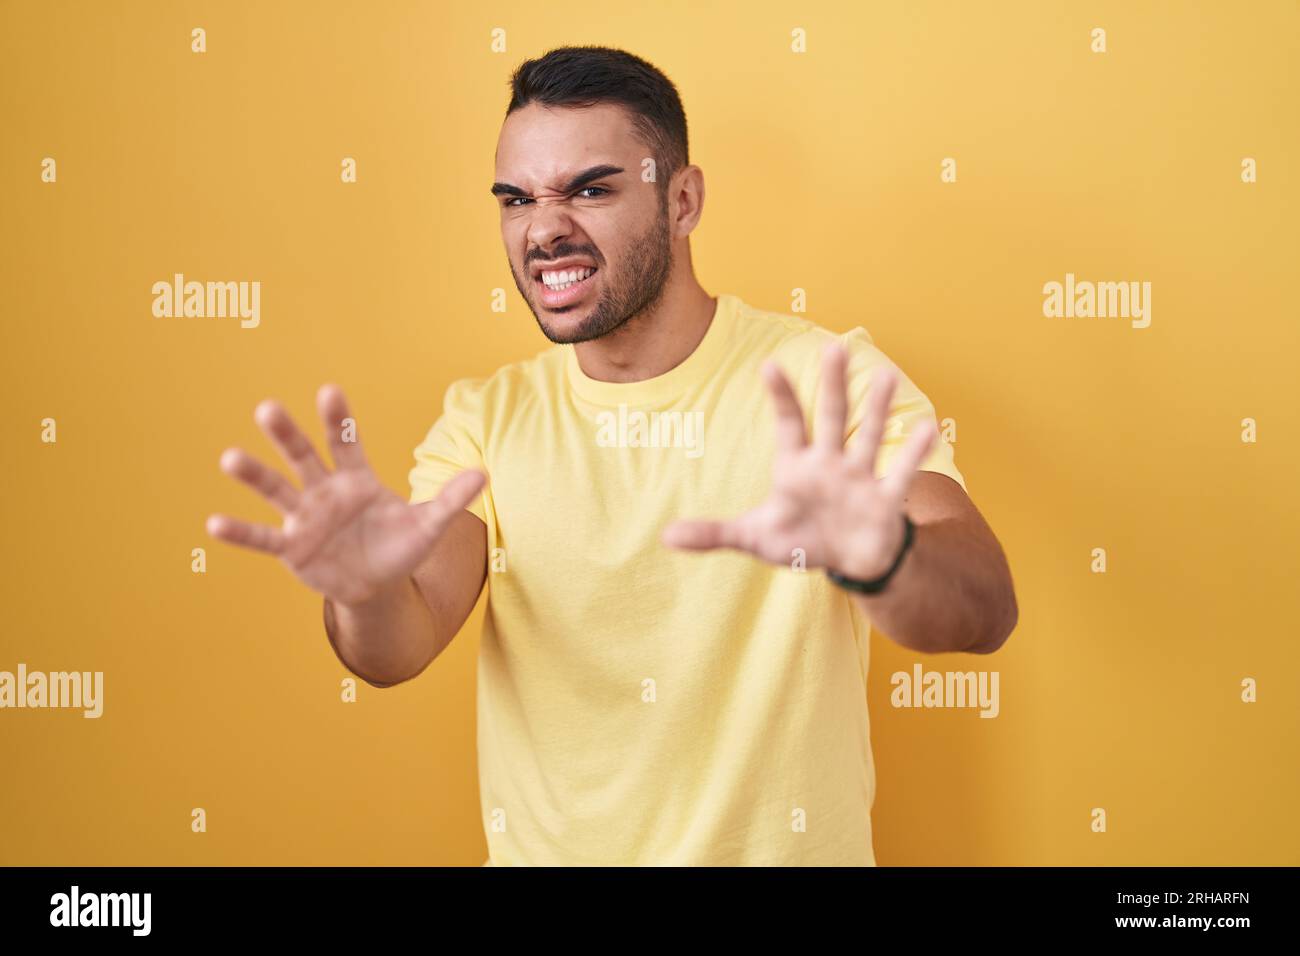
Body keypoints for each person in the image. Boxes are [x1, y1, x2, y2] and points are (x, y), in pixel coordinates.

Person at [207, 46, 1018, 866]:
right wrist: (366, 588)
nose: (544, 227)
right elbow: (398, 644)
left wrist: (887, 556)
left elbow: (984, 609)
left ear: (683, 200)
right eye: (516, 199)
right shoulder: (485, 421)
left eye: (591, 189)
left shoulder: (825, 384)